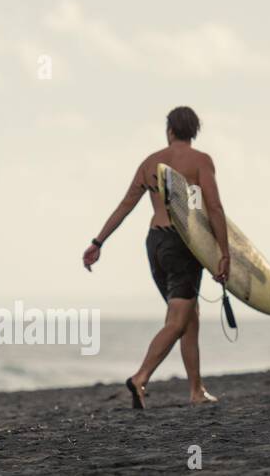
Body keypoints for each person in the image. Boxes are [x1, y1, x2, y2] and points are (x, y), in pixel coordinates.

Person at [83, 107, 229, 408]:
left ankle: (196, 390)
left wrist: (98, 242)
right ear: (194, 131)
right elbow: (213, 208)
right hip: (183, 244)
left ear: (170, 130)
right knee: (178, 320)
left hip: (155, 243)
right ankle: (140, 378)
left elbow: (125, 205)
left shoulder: (150, 163)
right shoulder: (200, 161)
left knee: (189, 316)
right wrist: (224, 253)